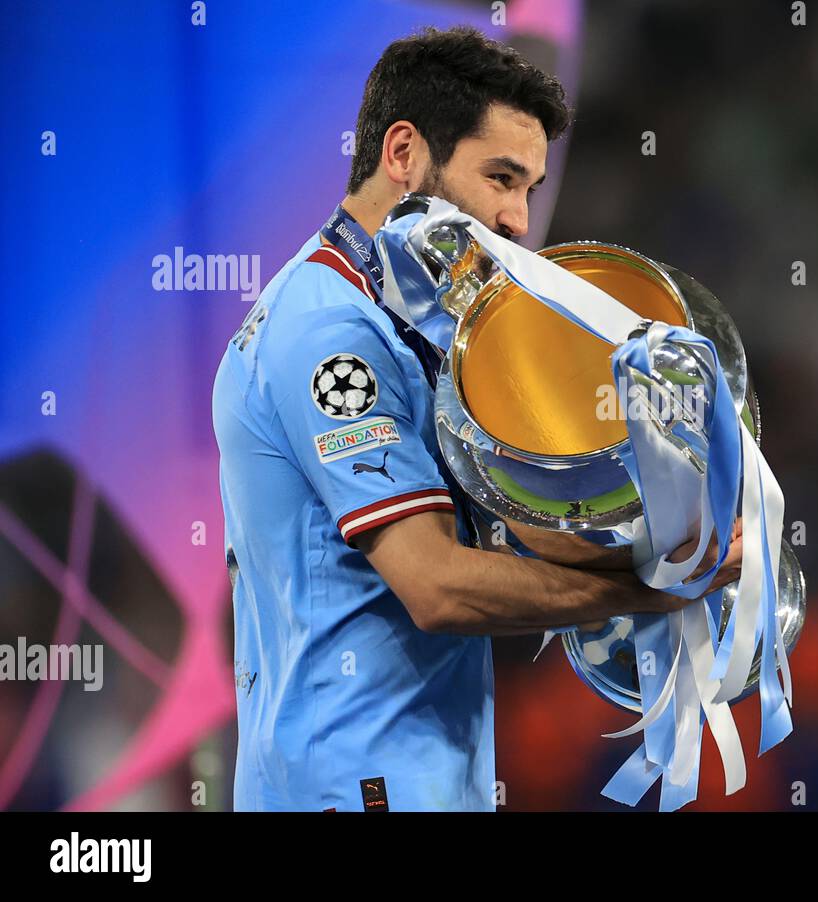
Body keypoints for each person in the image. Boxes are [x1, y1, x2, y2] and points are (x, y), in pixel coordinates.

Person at [212, 25, 741, 812]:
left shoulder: (417, 326)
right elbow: (436, 587)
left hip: (418, 782)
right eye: (501, 177)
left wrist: (676, 552)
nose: (520, 219)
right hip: (349, 789)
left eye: (529, 187)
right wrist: (647, 592)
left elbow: (516, 528)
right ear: (403, 154)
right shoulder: (330, 332)